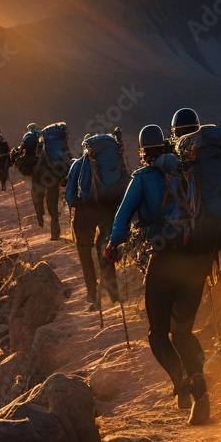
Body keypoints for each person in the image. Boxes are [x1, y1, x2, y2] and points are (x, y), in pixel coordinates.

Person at [105, 120, 221, 426]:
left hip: (164, 263)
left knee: (158, 334)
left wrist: (112, 245)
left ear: (144, 151)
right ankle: (201, 397)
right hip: (198, 262)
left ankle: (181, 385)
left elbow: (122, 219)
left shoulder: (144, 177)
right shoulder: (197, 171)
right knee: (182, 332)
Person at [65, 132, 127, 310]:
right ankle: (114, 296)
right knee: (106, 249)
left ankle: (92, 295)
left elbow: (70, 195)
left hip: (85, 210)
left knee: (85, 251)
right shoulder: (114, 161)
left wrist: (77, 204)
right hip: (108, 207)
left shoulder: (80, 163)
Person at [30, 121, 70, 240]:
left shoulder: (42, 144)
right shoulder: (62, 145)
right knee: (52, 204)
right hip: (55, 176)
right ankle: (55, 232)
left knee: (38, 197)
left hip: (40, 176)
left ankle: (40, 216)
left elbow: (36, 158)